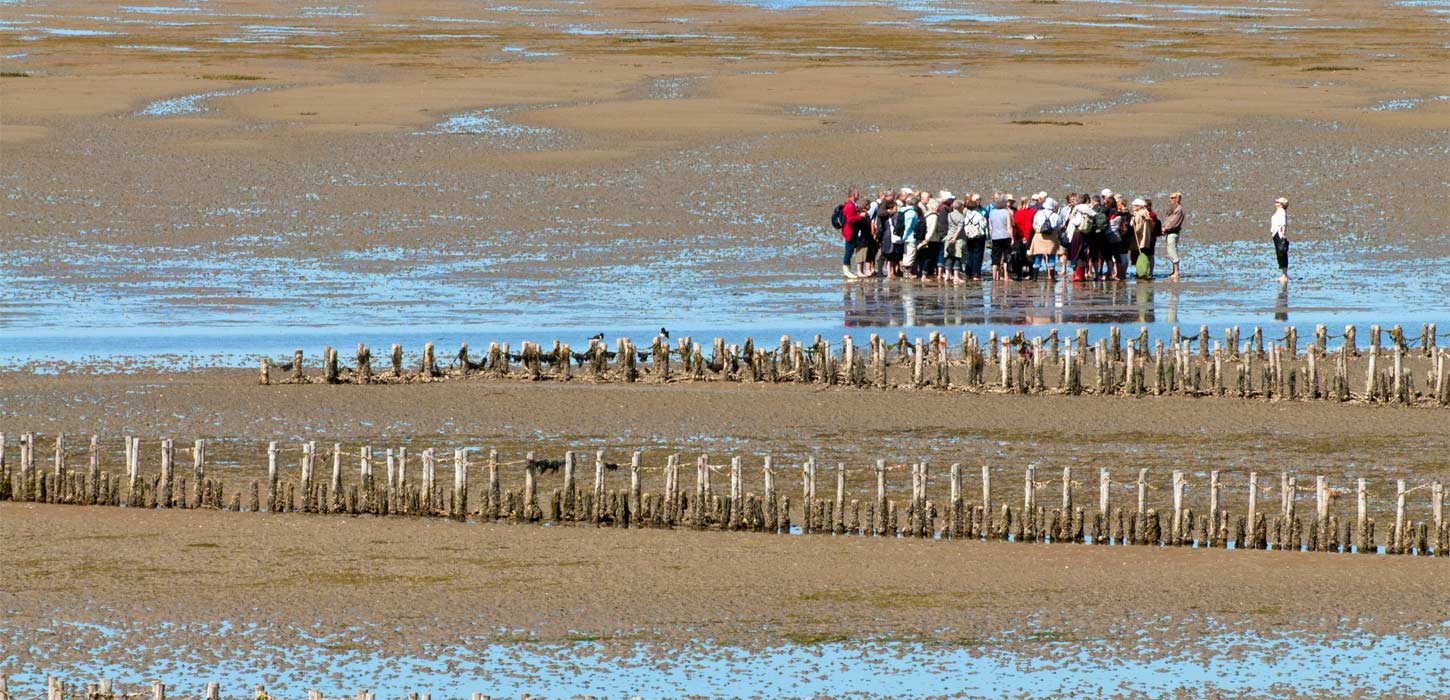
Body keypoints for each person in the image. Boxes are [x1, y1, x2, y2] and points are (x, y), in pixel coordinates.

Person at [1030, 196, 1062, 280]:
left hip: (1039, 237)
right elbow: (1059, 227)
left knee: (1038, 256)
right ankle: (1051, 276)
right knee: (1051, 256)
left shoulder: (1038, 213)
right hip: (1051, 238)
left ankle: (1035, 277)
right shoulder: (1055, 215)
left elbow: (1034, 225)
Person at [842, 189, 869, 279]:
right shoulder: (850, 206)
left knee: (850, 250)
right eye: (858, 194)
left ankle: (848, 270)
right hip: (850, 232)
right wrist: (860, 216)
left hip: (853, 231)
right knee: (849, 251)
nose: (859, 196)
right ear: (853, 195)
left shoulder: (852, 205)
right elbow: (850, 220)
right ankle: (846, 270)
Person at [962, 194, 988, 281]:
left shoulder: (967, 216)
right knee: (978, 255)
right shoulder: (979, 215)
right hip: (978, 236)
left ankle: (968, 272)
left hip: (969, 236)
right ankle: (976, 274)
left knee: (970, 254)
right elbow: (984, 225)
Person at [988, 195, 1014, 281]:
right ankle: (1006, 276)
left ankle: (994, 277)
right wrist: (1012, 238)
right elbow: (1009, 227)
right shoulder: (1006, 212)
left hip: (995, 237)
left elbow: (990, 228)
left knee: (995, 258)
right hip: (1005, 236)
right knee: (1006, 257)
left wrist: (991, 238)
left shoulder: (991, 213)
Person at [1161, 192, 1186, 280]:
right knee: (1170, 250)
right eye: (1170, 198)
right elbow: (1168, 219)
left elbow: (1174, 222)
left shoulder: (1179, 209)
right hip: (1169, 232)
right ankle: (1174, 271)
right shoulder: (1174, 208)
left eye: (1172, 198)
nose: (1171, 200)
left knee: (1172, 251)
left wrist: (1165, 228)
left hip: (1173, 233)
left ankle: (1176, 272)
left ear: (1177, 198)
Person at [1012, 194, 1037, 280]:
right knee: (1030, 255)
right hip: (1030, 236)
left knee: (1019, 255)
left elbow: (1015, 225)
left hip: (1019, 236)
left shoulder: (1017, 213)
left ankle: (1019, 274)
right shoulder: (1033, 212)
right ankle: (1031, 273)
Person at [941, 199, 966, 283]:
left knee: (948, 256)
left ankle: (947, 275)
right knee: (957, 257)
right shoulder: (961, 217)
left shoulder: (949, 215)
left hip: (948, 237)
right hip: (958, 238)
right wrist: (955, 238)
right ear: (960, 207)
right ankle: (956, 277)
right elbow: (959, 229)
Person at [1131, 198, 1154, 280]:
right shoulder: (1146, 213)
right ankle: (1145, 272)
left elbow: (1138, 228)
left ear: (1138, 206)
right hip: (1146, 238)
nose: (1132, 206)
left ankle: (1141, 273)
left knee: (1141, 257)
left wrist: (1132, 233)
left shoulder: (1139, 214)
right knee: (1145, 256)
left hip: (1140, 240)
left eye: (1134, 205)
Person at [1271, 196, 1290, 283]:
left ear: (1281, 205)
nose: (1276, 203)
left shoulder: (1281, 212)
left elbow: (1283, 223)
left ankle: (1284, 275)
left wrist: (1283, 233)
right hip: (1275, 233)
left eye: (1278, 202)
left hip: (1279, 234)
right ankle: (1283, 275)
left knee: (1282, 253)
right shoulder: (1278, 211)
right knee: (1279, 253)